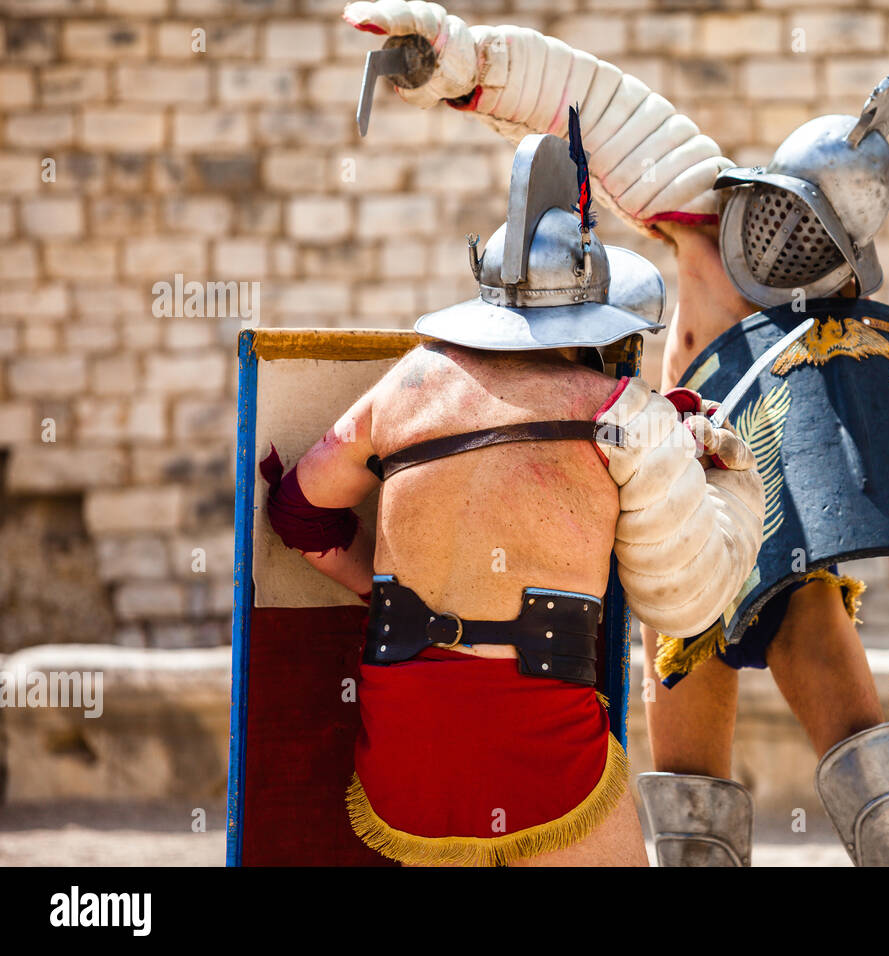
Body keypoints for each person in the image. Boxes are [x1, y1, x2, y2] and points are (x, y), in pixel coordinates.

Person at [340, 0, 889, 866]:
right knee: (692, 728)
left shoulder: (836, 321)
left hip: (747, 509)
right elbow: (590, 103)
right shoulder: (703, 212)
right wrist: (458, 57)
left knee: (821, 688)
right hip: (683, 502)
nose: (783, 244)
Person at [259, 128, 763, 866]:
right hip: (537, 750)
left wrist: (390, 594)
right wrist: (726, 470)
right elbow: (687, 604)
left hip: (401, 755)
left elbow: (298, 513)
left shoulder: (408, 385)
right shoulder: (622, 413)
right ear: (595, 316)